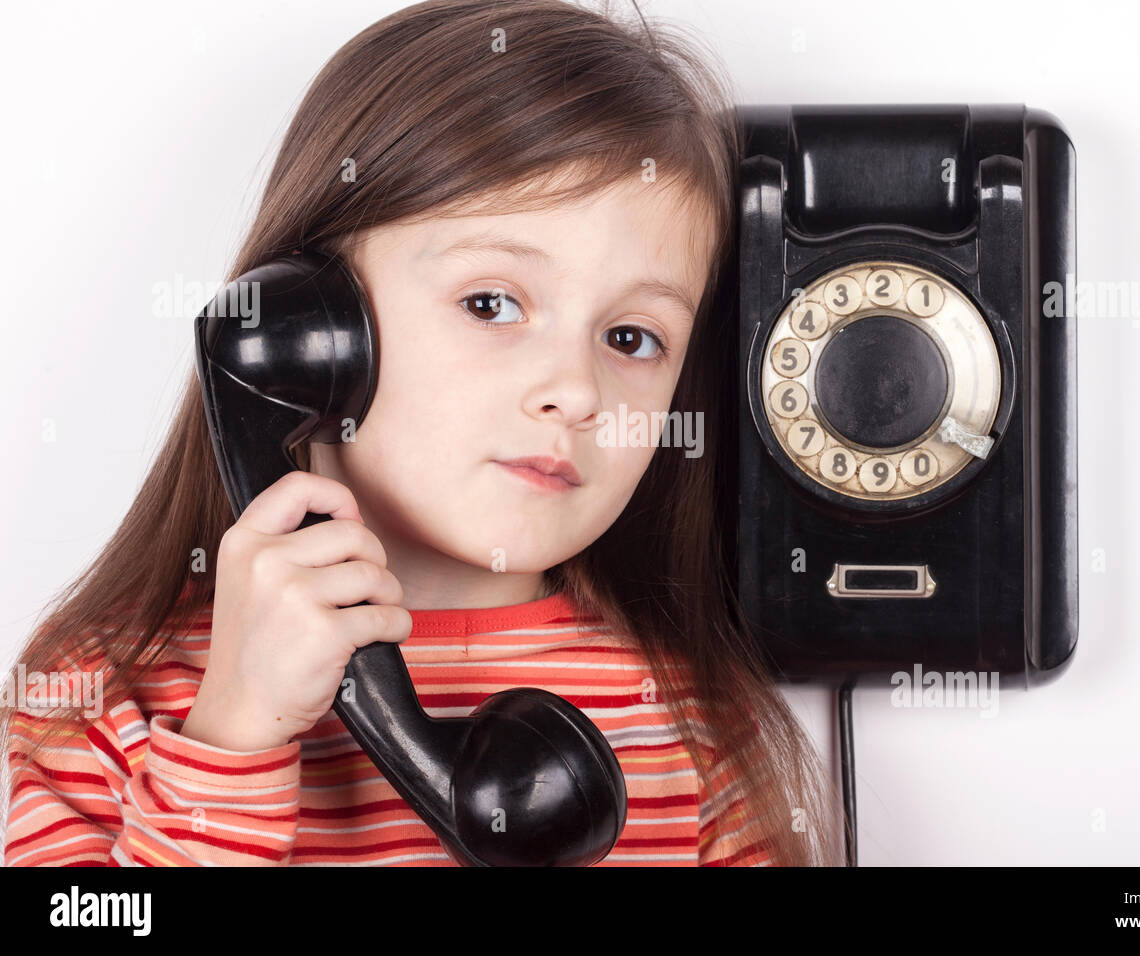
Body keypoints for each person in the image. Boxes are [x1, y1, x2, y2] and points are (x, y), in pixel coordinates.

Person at [1, 0, 847, 866]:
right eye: (492, 303)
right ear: (308, 328)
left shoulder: (692, 725)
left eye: (630, 338)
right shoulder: (98, 696)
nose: (575, 391)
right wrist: (232, 741)